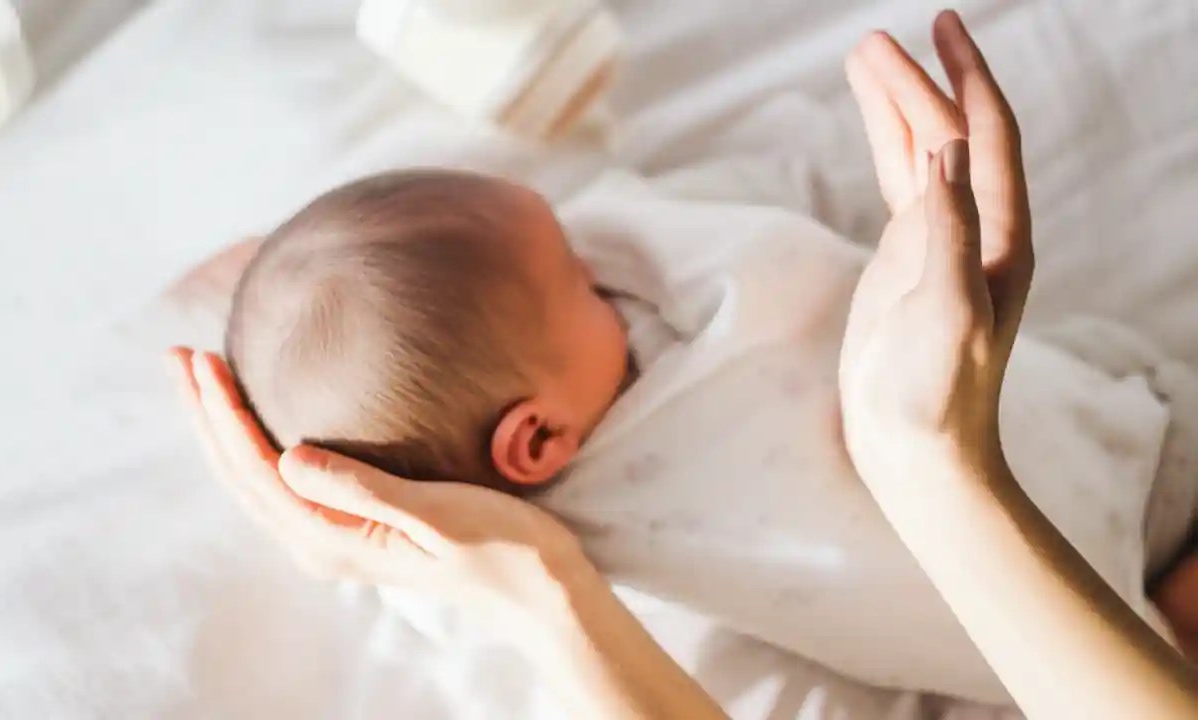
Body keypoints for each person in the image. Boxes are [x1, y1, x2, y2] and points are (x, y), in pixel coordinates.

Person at [167, 10, 1198, 720]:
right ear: (532, 439)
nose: (602, 264)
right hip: (1024, 638)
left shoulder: (640, 266)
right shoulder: (644, 566)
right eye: (576, 281)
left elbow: (732, 214)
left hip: (1121, 447)